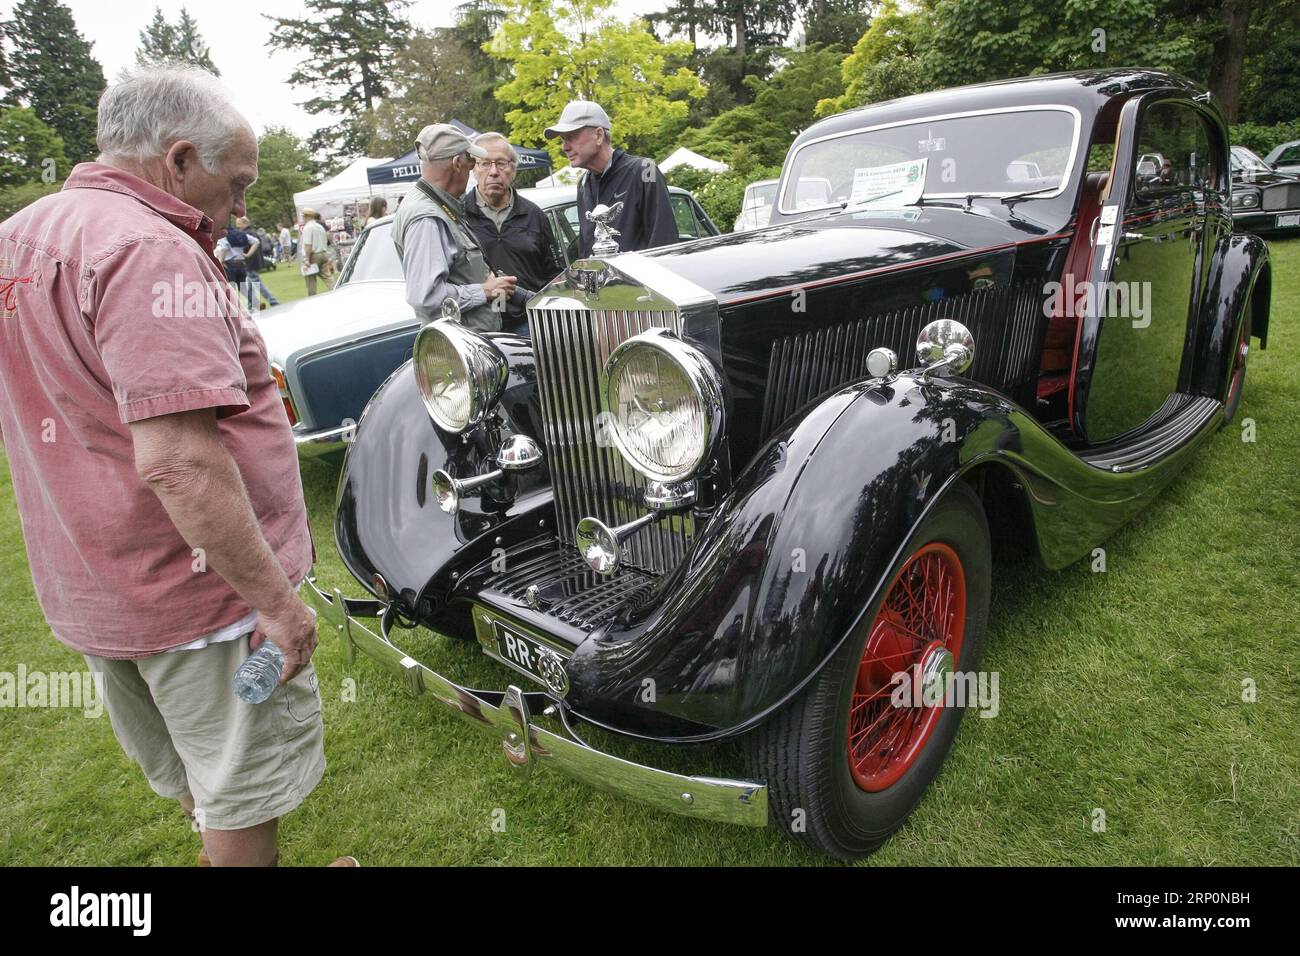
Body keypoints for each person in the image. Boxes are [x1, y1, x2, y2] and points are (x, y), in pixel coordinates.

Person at [0, 65, 352, 868]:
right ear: (180, 159)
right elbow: (183, 464)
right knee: (237, 791)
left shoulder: (21, 235)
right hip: (200, 596)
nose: (239, 211)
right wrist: (277, 604)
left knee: (204, 774)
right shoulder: (149, 250)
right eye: (234, 186)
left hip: (99, 585)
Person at [391, 123, 516, 331]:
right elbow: (426, 297)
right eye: (471, 164)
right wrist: (485, 291)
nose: (470, 173)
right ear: (458, 163)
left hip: (468, 345)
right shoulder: (427, 217)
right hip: (462, 351)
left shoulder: (435, 205)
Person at [545, 100, 677, 258]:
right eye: (563, 140)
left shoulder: (644, 171)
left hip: (642, 281)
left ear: (599, 135)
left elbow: (665, 246)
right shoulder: (584, 184)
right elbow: (586, 249)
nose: (565, 147)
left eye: (571, 137)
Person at [461, 132, 563, 336]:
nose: (493, 172)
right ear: (473, 169)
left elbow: (554, 274)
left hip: (529, 324)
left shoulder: (533, 215)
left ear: (513, 169)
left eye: (501, 163)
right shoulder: (460, 215)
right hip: (478, 327)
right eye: (485, 164)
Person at [236, 215, 279, 309]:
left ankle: (273, 300)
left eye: (239, 224)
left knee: (256, 283)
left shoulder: (246, 234)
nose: (237, 226)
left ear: (244, 223)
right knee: (251, 284)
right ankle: (252, 305)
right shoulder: (253, 232)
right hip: (255, 261)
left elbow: (244, 248)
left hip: (249, 262)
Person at [299, 207, 331, 296]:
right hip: (324, 253)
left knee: (311, 279)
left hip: (314, 255)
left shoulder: (307, 228)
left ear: (306, 216)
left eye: (303, 217)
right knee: (327, 277)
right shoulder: (320, 226)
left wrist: (306, 259)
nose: (302, 219)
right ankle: (338, 292)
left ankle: (312, 298)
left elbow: (308, 246)